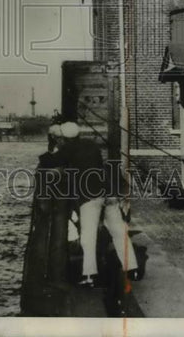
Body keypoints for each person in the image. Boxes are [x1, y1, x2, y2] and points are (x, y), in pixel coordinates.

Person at [59, 121, 139, 287]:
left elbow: (51, 161)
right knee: (118, 231)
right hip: (108, 192)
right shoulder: (91, 145)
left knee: (88, 236)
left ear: (63, 138)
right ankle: (133, 269)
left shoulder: (67, 149)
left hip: (90, 197)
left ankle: (90, 275)